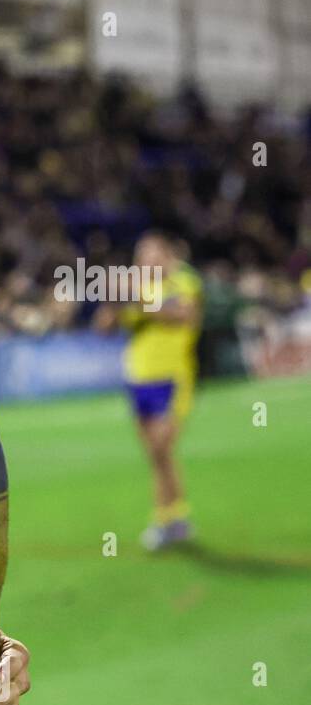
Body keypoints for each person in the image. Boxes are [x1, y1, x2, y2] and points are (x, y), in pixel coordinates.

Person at [97, 232, 203, 550]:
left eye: (152, 254)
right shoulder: (135, 290)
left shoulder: (183, 282)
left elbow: (184, 315)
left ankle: (162, 520)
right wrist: (114, 302)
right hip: (139, 379)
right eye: (141, 255)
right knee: (158, 455)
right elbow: (103, 328)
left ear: (168, 255)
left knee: (161, 446)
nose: (146, 260)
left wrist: (138, 300)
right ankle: (178, 516)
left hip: (173, 378)